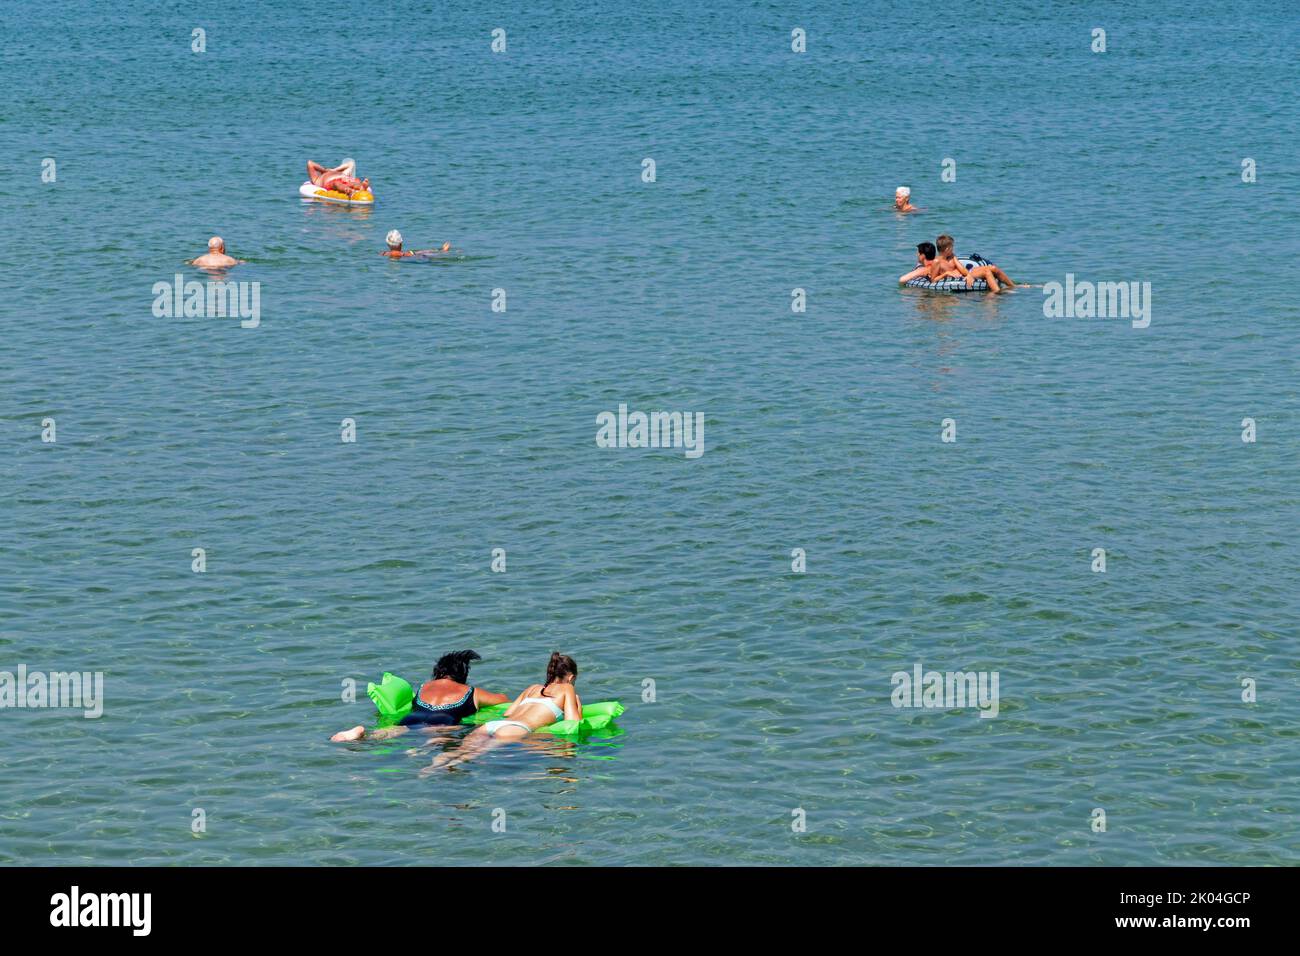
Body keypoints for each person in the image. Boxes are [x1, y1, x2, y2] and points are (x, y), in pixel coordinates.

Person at [420, 652, 581, 772]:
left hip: (493, 725)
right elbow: (573, 723)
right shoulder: (567, 689)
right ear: (571, 678)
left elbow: (508, 713)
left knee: (461, 750)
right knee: (470, 755)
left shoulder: (533, 688)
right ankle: (435, 771)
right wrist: (577, 703)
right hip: (515, 729)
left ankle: (431, 763)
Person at [330, 650, 508, 741]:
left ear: (438, 671)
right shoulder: (471, 692)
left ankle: (360, 735)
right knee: (446, 742)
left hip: (412, 718)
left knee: (387, 734)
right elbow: (503, 701)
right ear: (462, 675)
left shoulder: (424, 687)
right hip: (444, 722)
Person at [381, 230, 452, 258]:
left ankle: (441, 250)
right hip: (413, 255)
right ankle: (443, 251)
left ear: (388, 244)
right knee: (422, 252)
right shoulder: (404, 254)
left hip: (411, 254)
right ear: (400, 243)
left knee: (420, 252)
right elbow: (418, 256)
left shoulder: (383, 253)